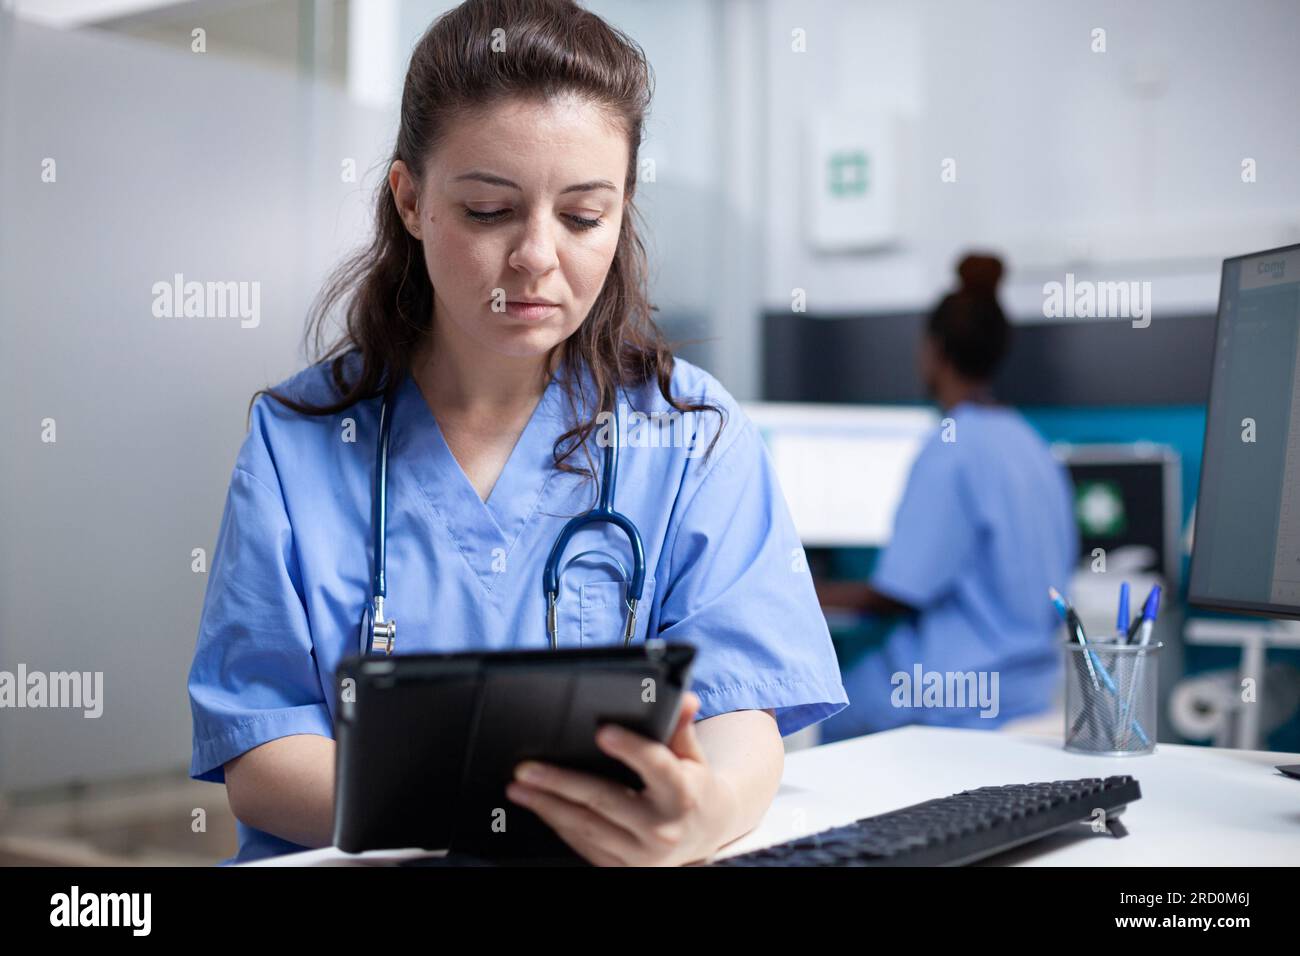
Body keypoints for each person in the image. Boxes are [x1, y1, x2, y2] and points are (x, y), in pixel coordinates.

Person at [187, 0, 846, 866]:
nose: (536, 256)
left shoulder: (693, 438)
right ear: (411, 200)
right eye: (490, 209)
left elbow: (740, 713)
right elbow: (262, 751)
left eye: (583, 217)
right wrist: (520, 816)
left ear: (622, 209)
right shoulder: (297, 442)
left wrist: (700, 813)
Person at [815, 254, 1077, 740]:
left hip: (954, 693)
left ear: (933, 351)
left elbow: (896, 594)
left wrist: (802, 592)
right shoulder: (1032, 445)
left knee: (811, 719)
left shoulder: (952, 447)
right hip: (1029, 690)